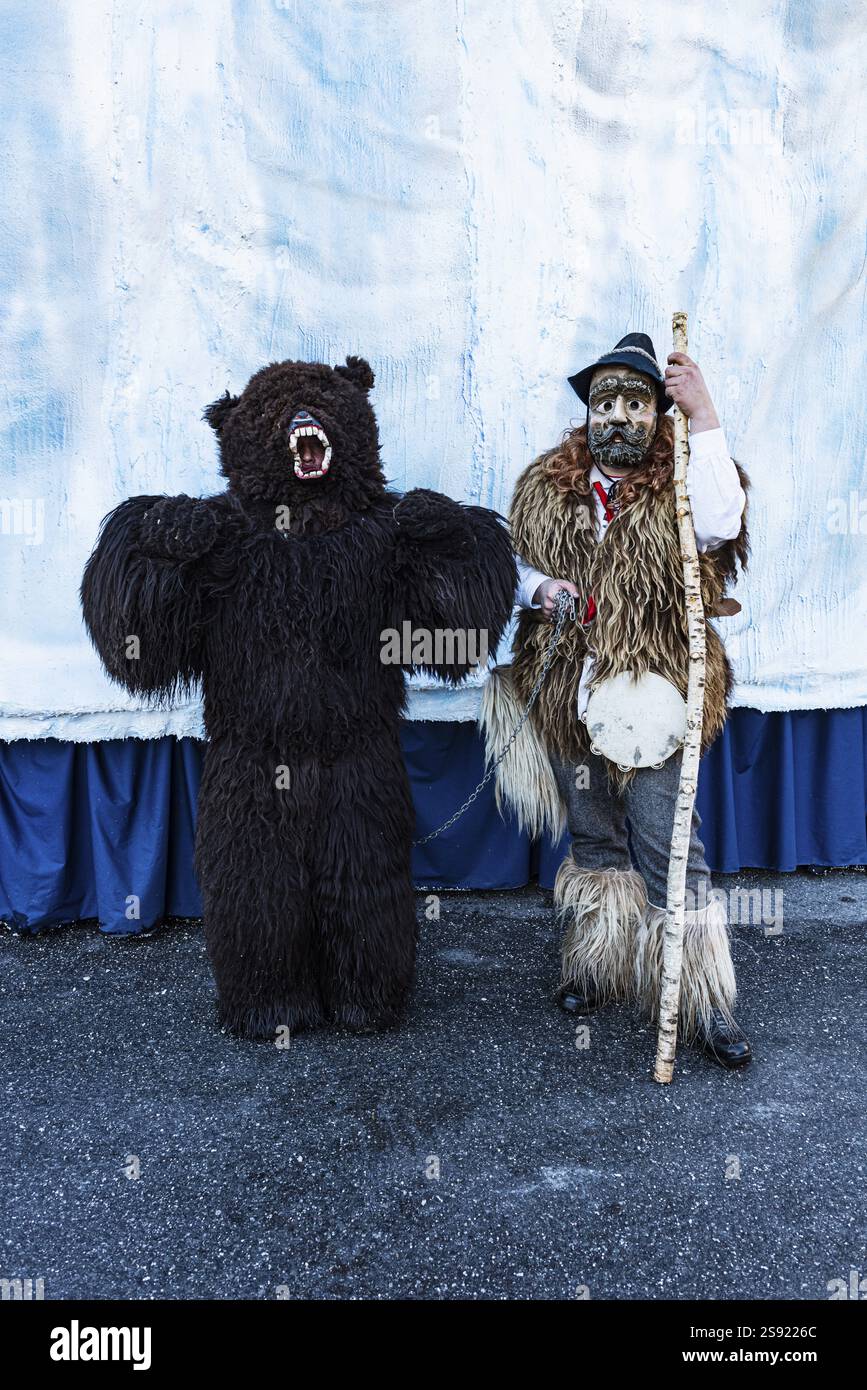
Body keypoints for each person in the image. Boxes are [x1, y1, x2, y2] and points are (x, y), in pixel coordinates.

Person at [482, 333, 752, 1067]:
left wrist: (704, 415)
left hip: (659, 693)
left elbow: (723, 526)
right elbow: (506, 561)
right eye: (607, 402)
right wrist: (541, 589)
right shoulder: (547, 486)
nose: (620, 417)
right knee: (597, 841)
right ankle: (600, 964)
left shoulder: (687, 475)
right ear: (589, 412)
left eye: (636, 403)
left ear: (656, 413)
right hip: (572, 695)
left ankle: (699, 998)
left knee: (672, 847)